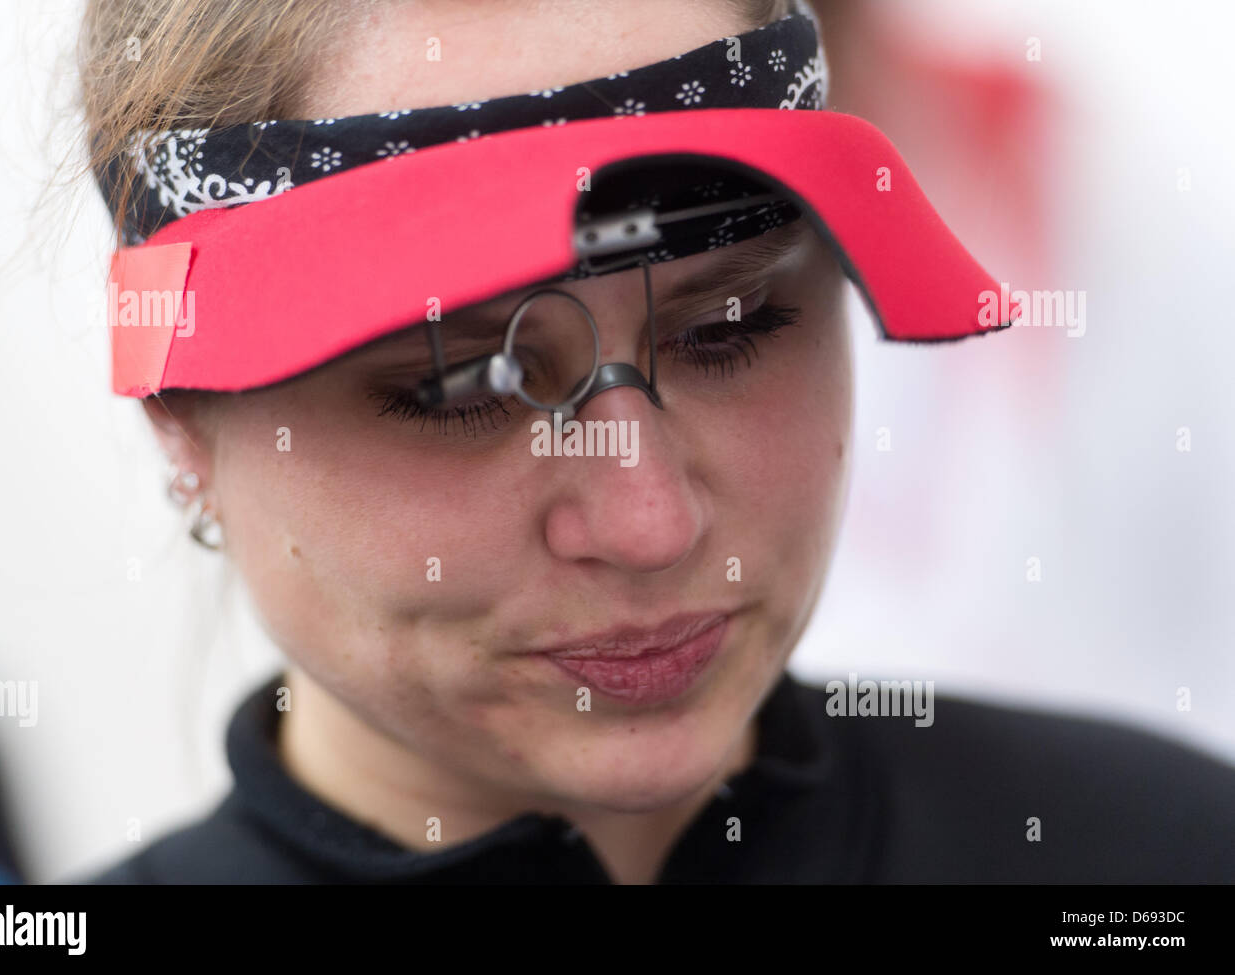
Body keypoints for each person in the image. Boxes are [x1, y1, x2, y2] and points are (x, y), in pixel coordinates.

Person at [77, 0, 1234, 884]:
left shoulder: (1154, 858)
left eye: (731, 327)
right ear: (181, 420)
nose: (650, 522)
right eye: (460, 383)